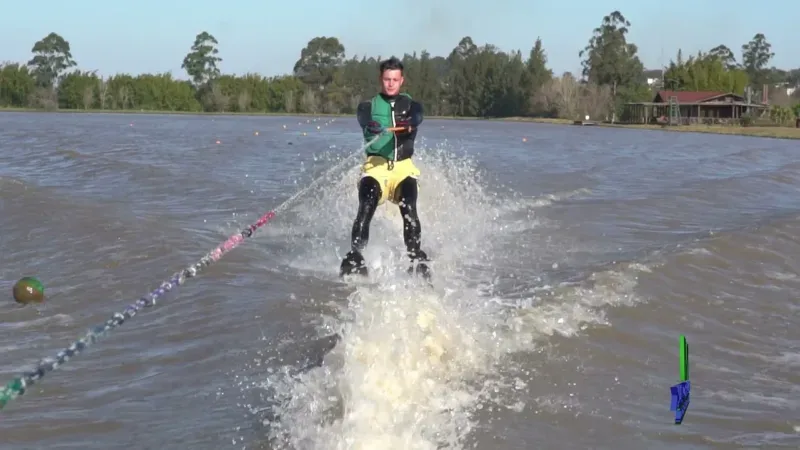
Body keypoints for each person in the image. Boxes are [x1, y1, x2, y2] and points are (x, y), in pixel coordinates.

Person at [339, 56, 430, 279]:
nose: (390, 83)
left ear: (402, 81)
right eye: (387, 79)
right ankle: (355, 255)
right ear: (381, 79)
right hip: (376, 167)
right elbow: (362, 117)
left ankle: (415, 257)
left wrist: (410, 123)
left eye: (395, 79)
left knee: (409, 206)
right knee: (366, 204)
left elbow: (418, 116)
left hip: (403, 169)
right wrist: (371, 125)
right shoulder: (368, 106)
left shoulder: (412, 106)